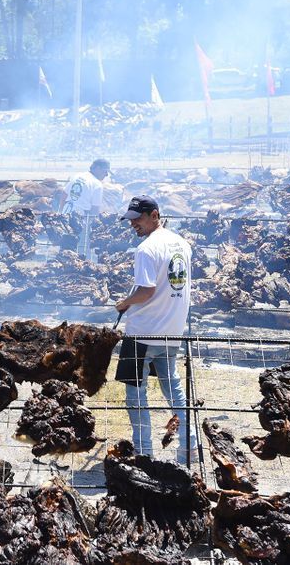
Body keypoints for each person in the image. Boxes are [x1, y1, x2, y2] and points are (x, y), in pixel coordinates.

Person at [113, 195, 197, 465]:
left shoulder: (146, 250)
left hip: (142, 332)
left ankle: (144, 453)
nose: (133, 225)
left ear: (154, 215)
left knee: (135, 394)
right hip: (172, 329)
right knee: (171, 385)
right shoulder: (181, 243)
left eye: (137, 219)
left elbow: (147, 290)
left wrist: (125, 302)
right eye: (130, 220)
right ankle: (189, 446)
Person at [58, 158, 110, 254]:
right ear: (97, 168)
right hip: (80, 219)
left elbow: (64, 194)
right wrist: (94, 227)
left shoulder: (78, 176)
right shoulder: (97, 184)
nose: (106, 175)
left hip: (65, 214)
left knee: (65, 243)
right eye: (105, 171)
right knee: (79, 247)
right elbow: (95, 209)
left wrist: (60, 212)